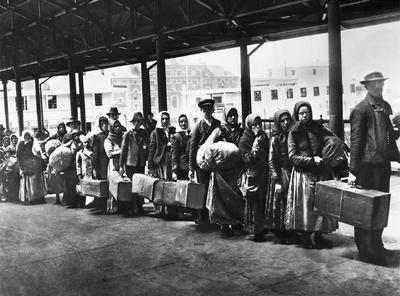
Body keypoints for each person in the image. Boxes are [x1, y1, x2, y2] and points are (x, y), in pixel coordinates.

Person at [348, 72, 399, 263]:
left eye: (380, 83)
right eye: (375, 84)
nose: (379, 87)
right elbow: (356, 142)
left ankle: (376, 245)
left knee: (380, 208)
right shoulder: (361, 109)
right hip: (367, 169)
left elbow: (388, 137)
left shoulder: (384, 107)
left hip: (382, 166)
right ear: (367, 86)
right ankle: (365, 250)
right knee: (364, 210)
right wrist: (353, 171)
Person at [286, 101, 338, 249]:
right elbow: (292, 157)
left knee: (322, 205)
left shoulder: (319, 128)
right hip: (303, 174)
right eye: (301, 113)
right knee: (306, 207)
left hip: (320, 171)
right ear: (296, 115)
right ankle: (306, 237)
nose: (304, 115)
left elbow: (330, 141)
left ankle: (319, 236)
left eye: (307, 112)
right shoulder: (293, 132)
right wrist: (311, 160)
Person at [206, 107, 244, 237]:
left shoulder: (241, 131)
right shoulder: (219, 131)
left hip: (235, 169)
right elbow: (211, 146)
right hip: (221, 170)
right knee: (221, 197)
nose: (233, 118)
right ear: (225, 117)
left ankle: (235, 222)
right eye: (230, 115)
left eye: (235, 115)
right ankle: (223, 224)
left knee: (235, 196)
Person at [188, 99, 221, 225]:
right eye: (205, 109)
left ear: (213, 110)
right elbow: (192, 147)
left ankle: (215, 217)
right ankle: (203, 217)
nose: (207, 111)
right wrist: (191, 168)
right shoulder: (198, 125)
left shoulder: (218, 124)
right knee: (203, 188)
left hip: (214, 161)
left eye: (210, 109)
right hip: (201, 162)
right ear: (201, 111)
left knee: (215, 189)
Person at [239, 114, 269, 242]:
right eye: (254, 124)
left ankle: (262, 227)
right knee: (254, 202)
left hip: (263, 172)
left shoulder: (264, 137)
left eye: (259, 124)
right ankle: (256, 231)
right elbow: (247, 158)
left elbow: (268, 152)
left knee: (263, 201)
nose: (258, 127)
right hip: (252, 173)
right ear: (249, 126)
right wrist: (256, 144)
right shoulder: (245, 139)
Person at [265, 109, 293, 244]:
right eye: (282, 121)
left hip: (291, 172)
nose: (286, 123)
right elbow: (271, 161)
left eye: (288, 120)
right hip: (280, 174)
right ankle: (281, 232)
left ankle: (290, 230)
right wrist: (276, 179)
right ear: (278, 122)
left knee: (290, 201)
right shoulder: (275, 138)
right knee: (280, 202)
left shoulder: (292, 135)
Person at [148, 111, 176, 218]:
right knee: (161, 184)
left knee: (170, 183)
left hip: (171, 160)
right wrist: (150, 165)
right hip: (161, 161)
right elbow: (152, 149)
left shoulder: (173, 130)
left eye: (166, 119)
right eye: (162, 119)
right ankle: (161, 208)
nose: (164, 121)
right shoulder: (155, 132)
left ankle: (169, 207)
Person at [119, 112, 148, 214]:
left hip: (140, 162)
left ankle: (140, 206)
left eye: (140, 122)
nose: (139, 124)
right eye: (137, 121)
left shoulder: (143, 133)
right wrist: (121, 166)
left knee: (140, 185)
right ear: (133, 122)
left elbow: (146, 146)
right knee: (132, 185)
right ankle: (133, 206)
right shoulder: (127, 134)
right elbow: (123, 150)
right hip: (130, 163)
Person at [17, 130, 47, 204]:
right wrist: (21, 165)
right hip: (25, 164)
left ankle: (37, 198)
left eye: (28, 135)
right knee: (27, 181)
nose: (27, 137)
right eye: (25, 136)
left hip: (34, 164)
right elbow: (19, 155)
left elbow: (37, 153)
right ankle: (28, 198)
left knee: (35, 181)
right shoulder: (21, 144)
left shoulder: (33, 143)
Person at [104, 119, 123, 213]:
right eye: (115, 126)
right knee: (112, 185)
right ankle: (112, 206)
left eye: (119, 126)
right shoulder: (108, 140)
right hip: (113, 164)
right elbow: (109, 154)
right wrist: (121, 151)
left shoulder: (122, 138)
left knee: (121, 184)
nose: (117, 128)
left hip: (121, 164)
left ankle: (122, 206)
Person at [171, 114, 191, 181]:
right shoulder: (176, 136)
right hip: (181, 167)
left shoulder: (191, 134)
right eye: (181, 122)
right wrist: (174, 170)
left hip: (190, 166)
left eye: (185, 121)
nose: (183, 124)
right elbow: (174, 154)